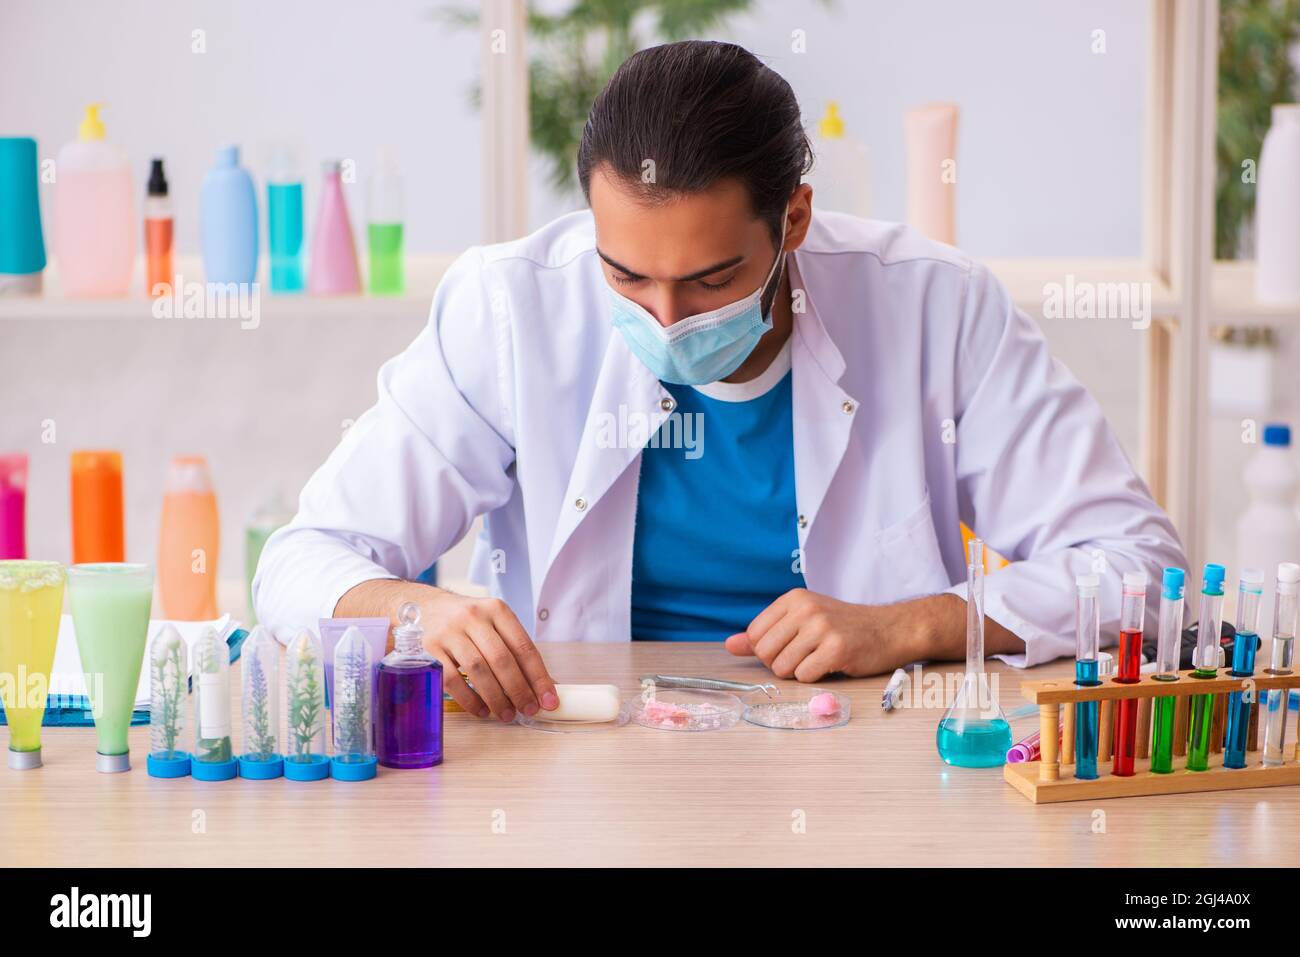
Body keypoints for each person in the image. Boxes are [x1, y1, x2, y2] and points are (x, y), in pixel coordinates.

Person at [255, 40, 1187, 722]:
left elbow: (1143, 568)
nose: (665, 319)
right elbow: (301, 561)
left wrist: (910, 625)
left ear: (794, 220)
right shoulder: (510, 310)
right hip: (582, 754)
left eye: (709, 280)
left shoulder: (935, 308)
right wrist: (424, 611)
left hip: (858, 753)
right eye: (625, 275)